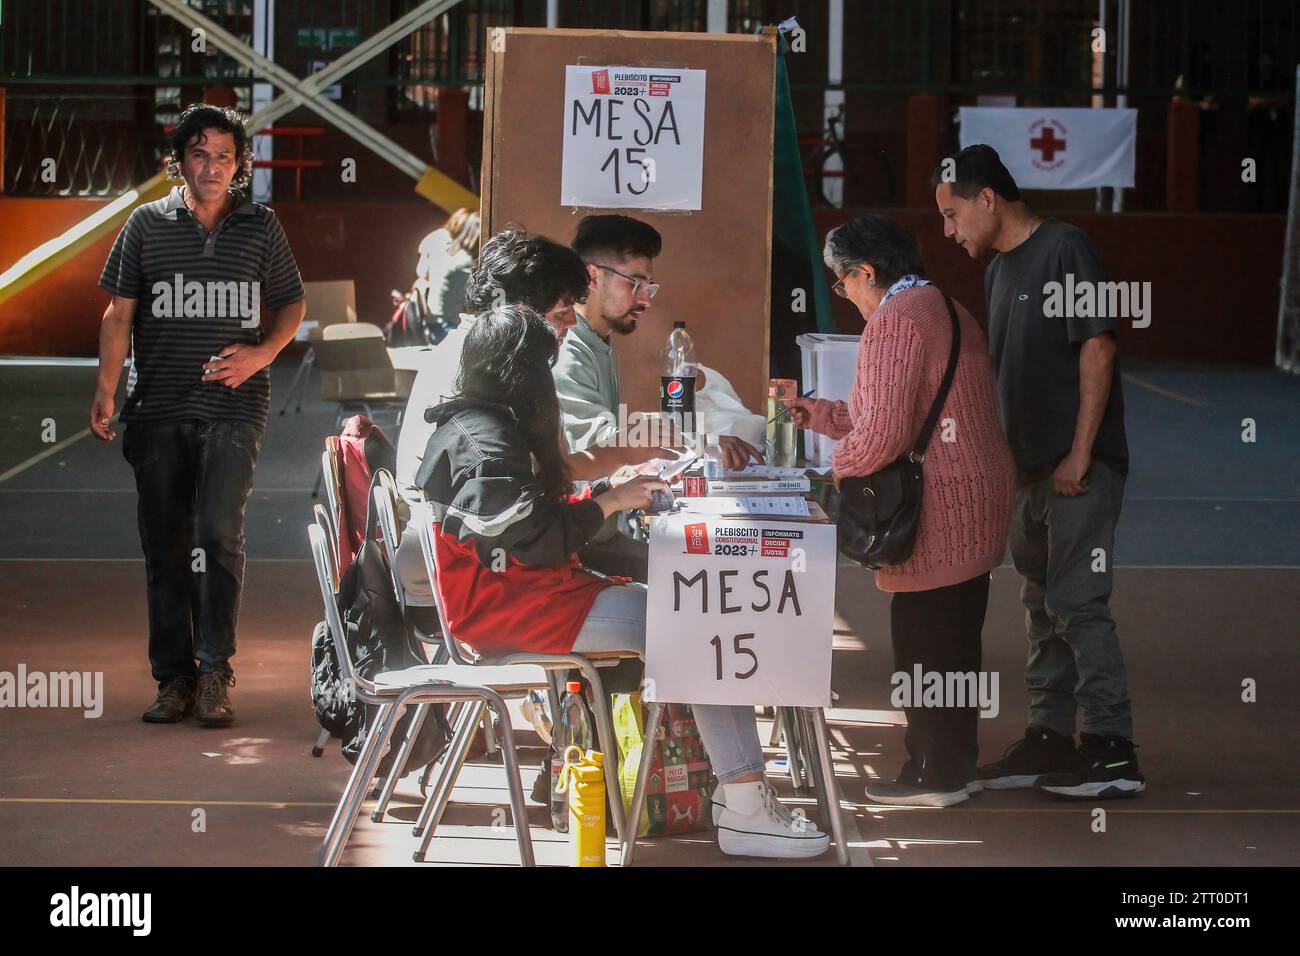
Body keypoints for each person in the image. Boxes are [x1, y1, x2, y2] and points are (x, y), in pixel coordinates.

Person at [416, 305, 829, 859]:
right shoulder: (486, 444)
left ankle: (744, 798)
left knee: (699, 617)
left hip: (527, 593)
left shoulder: (479, 424)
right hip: (510, 608)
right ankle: (745, 806)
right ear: (523, 372)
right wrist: (610, 499)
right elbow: (534, 537)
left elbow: (533, 521)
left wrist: (613, 486)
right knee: (697, 627)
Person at [932, 144, 1145, 799]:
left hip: (1074, 470)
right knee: (1040, 609)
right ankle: (1051, 738)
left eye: (952, 213)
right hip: (1027, 477)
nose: (948, 230)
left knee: (1079, 606)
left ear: (988, 198)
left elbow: (1098, 346)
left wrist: (1080, 453)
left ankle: (1111, 753)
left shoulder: (1067, 249)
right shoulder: (998, 272)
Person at [785, 216, 1015, 807]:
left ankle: (933, 776)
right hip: (973, 497)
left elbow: (883, 436)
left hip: (938, 508)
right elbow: (901, 416)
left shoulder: (895, 320)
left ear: (866, 272)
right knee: (955, 640)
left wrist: (822, 478)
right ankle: (953, 763)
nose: (844, 296)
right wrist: (826, 416)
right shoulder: (942, 305)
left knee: (924, 641)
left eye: (842, 283)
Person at [91, 103, 306, 726]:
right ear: (179, 160)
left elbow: (291, 306)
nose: (211, 166)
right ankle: (173, 680)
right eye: (199, 153)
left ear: (238, 167)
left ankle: (215, 671)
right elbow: (118, 315)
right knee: (166, 544)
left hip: (235, 409)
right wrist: (106, 389)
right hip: (157, 408)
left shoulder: (261, 227)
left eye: (224, 156)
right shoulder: (144, 226)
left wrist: (261, 354)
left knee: (217, 533)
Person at [556, 215, 764, 578]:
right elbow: (597, 444)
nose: (645, 300)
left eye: (649, 287)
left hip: (597, 529)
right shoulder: (569, 348)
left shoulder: (597, 342)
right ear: (592, 276)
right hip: (574, 538)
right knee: (696, 572)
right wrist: (703, 442)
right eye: (634, 284)